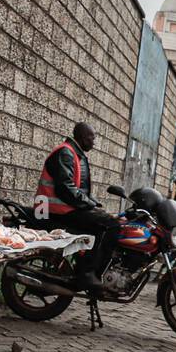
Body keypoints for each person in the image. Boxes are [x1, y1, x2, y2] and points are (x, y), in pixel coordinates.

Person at [33, 123, 119, 291]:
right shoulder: (65, 152)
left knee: (108, 220)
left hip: (65, 208)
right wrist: (91, 205)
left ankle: (87, 269)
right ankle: (87, 274)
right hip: (55, 210)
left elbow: (78, 189)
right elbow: (65, 188)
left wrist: (93, 204)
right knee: (110, 225)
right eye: (91, 138)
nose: (94, 142)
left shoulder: (75, 154)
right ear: (81, 136)